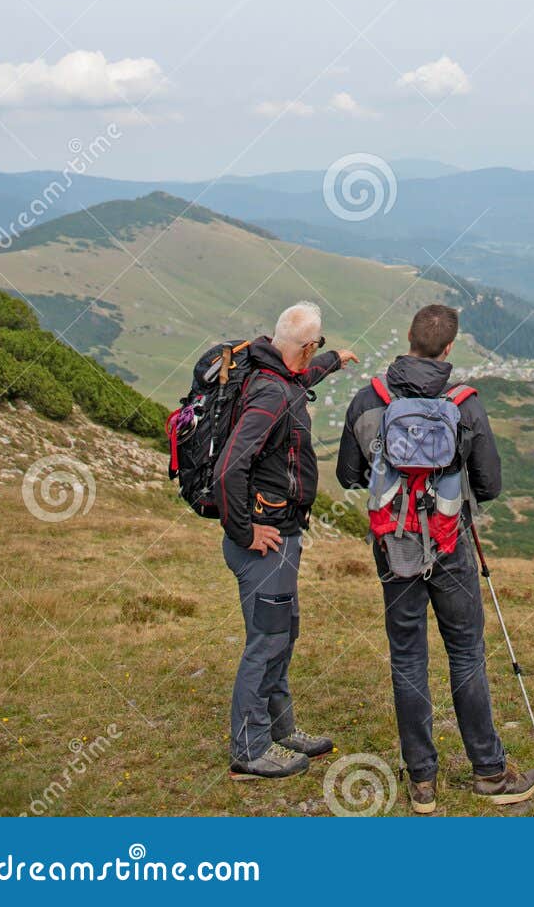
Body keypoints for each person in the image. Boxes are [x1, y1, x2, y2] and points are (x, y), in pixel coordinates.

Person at [336, 302, 534, 814]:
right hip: (450, 543)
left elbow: (346, 474)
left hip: (393, 545)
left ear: (408, 338)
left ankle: (422, 782)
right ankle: (490, 771)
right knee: (466, 653)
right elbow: (489, 485)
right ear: (449, 348)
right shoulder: (466, 405)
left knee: (408, 656)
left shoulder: (369, 399)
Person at [214, 301, 358, 780]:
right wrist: (244, 531)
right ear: (302, 346)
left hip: (284, 537)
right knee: (267, 639)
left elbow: (301, 378)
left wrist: (333, 359)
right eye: (313, 348)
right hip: (264, 543)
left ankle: (279, 727)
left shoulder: (278, 370)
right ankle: (248, 750)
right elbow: (228, 468)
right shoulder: (270, 395)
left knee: (284, 630)